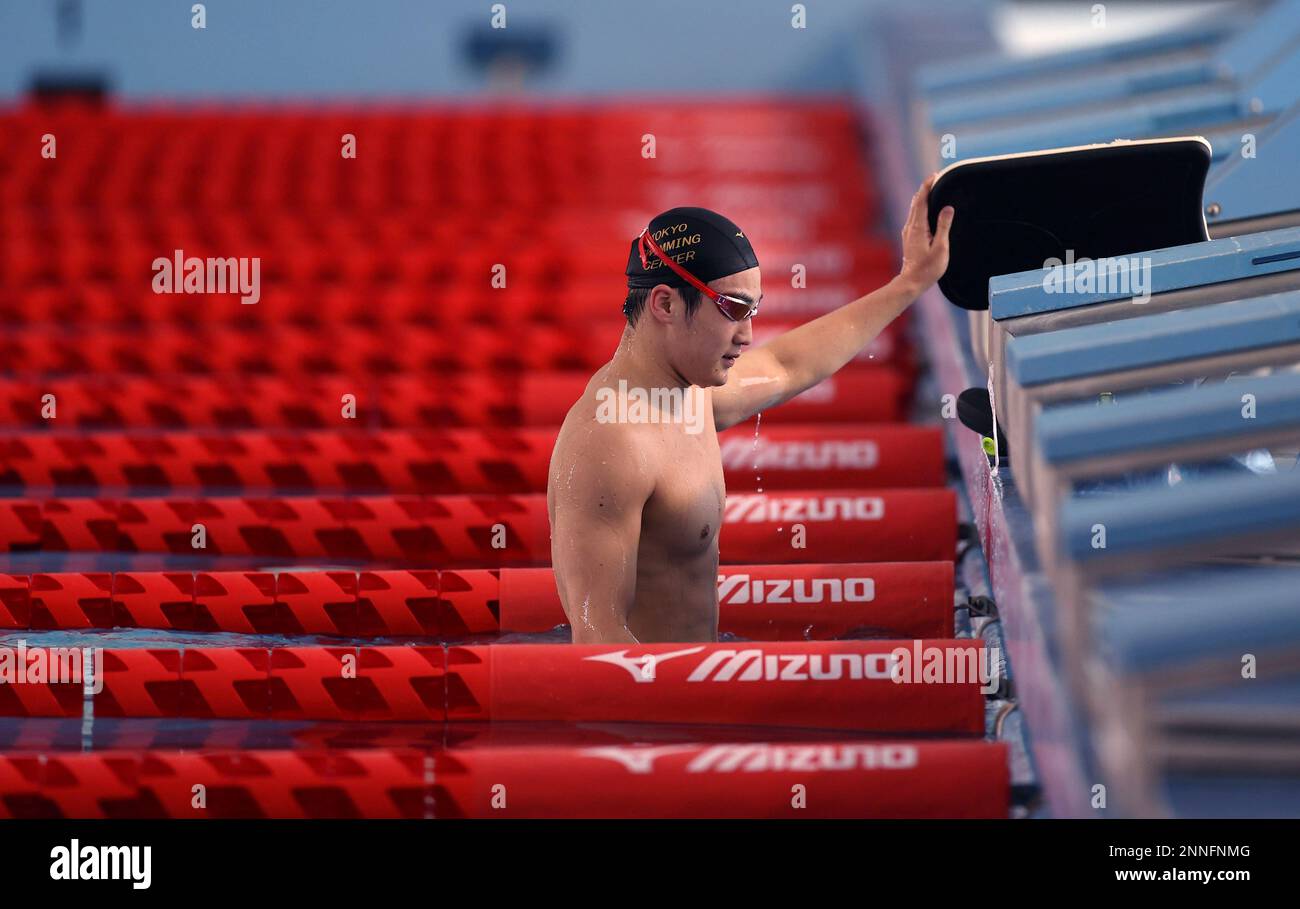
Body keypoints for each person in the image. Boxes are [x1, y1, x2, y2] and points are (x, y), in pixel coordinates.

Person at [546, 174, 954, 642]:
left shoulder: (686, 390)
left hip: (699, 680)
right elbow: (597, 641)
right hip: (661, 706)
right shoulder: (612, 441)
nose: (747, 335)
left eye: (753, 312)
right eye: (733, 310)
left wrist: (910, 282)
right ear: (665, 303)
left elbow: (787, 365)